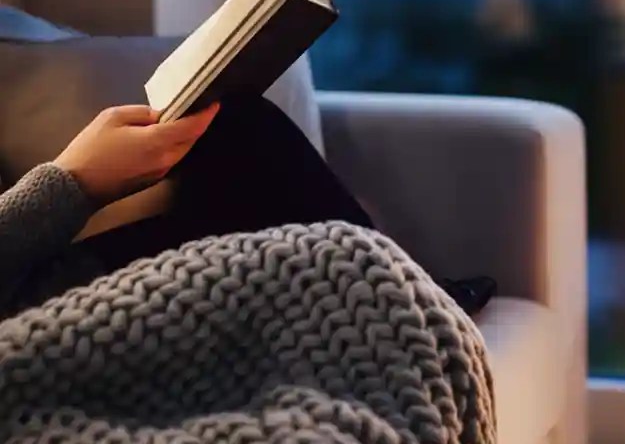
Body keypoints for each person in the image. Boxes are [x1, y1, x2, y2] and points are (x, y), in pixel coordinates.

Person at [0, 94, 495, 319]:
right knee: (295, 252)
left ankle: (401, 290)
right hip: (37, 315)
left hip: (37, 277)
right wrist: (75, 181)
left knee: (228, 119)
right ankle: (405, 297)